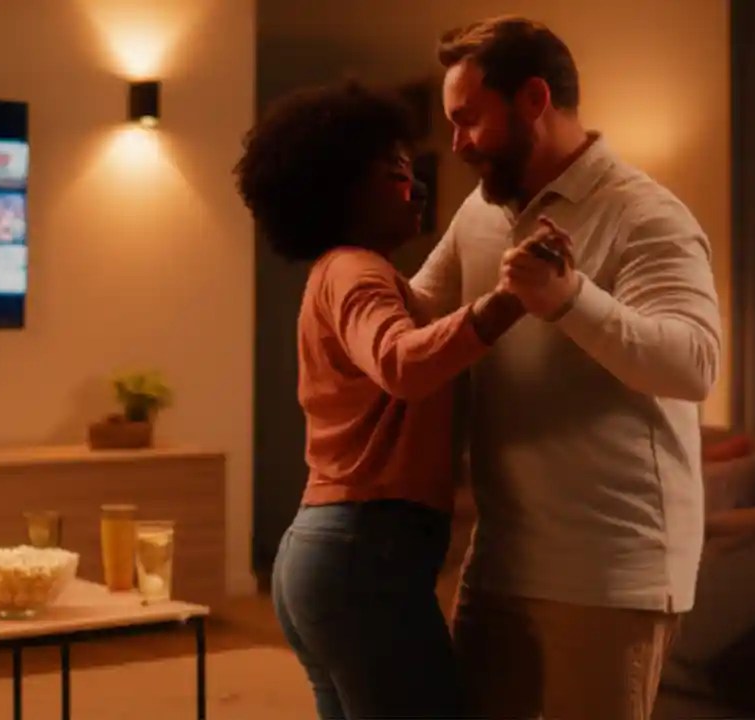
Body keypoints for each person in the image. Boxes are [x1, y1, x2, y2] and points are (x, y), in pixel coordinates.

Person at [410, 15, 724, 720]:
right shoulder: (479, 214)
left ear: (532, 100)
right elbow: (412, 312)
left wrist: (570, 299)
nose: (456, 143)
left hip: (611, 576)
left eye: (467, 121)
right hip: (497, 563)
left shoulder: (646, 216)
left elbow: (695, 364)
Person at [233, 81, 567, 719]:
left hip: (330, 553)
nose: (415, 187)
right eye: (396, 174)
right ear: (343, 189)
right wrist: (509, 299)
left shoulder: (342, 274)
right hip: (365, 555)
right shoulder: (357, 270)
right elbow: (401, 363)